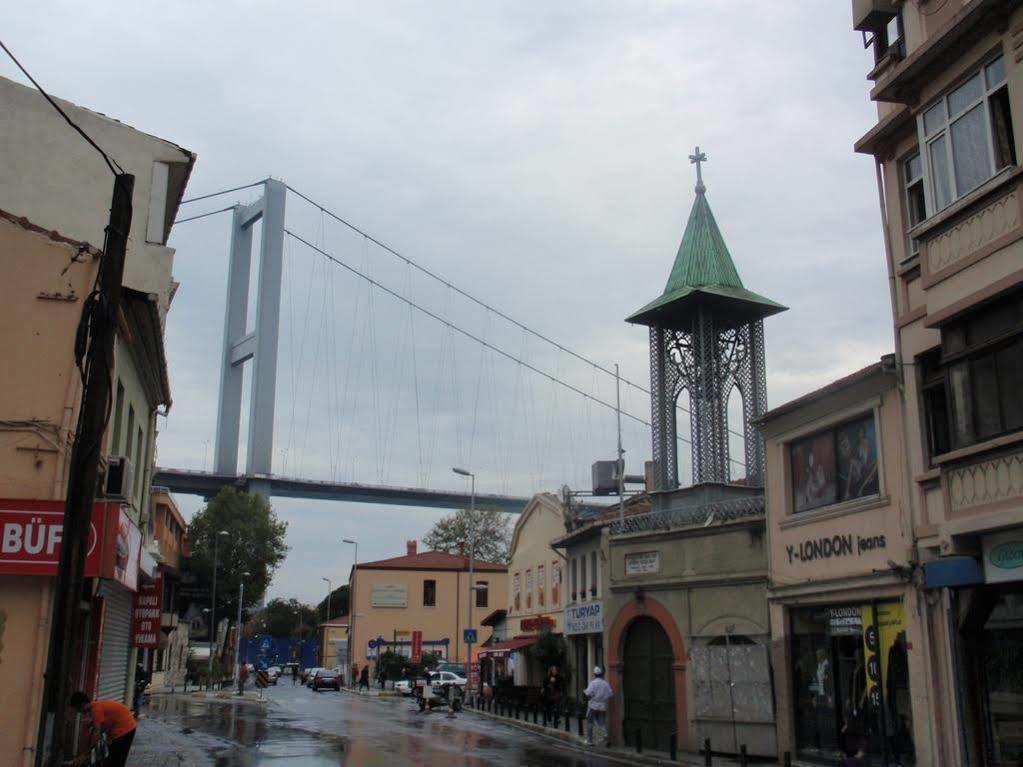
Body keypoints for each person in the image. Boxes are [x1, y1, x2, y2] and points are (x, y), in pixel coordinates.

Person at [69, 691, 137, 767]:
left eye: (78, 710)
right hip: (125, 728)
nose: (80, 713)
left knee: (116, 760)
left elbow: (96, 734)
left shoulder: (95, 710)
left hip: (125, 729)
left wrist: (85, 754)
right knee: (114, 759)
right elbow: (98, 729)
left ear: (81, 705)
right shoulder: (95, 707)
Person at [583, 666, 613, 747]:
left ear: (594, 674)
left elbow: (588, 695)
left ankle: (589, 741)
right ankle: (606, 734)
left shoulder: (592, 683)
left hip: (593, 705)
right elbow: (610, 694)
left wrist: (589, 697)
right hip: (602, 706)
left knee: (590, 722)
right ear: (601, 674)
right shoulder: (605, 683)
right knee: (602, 722)